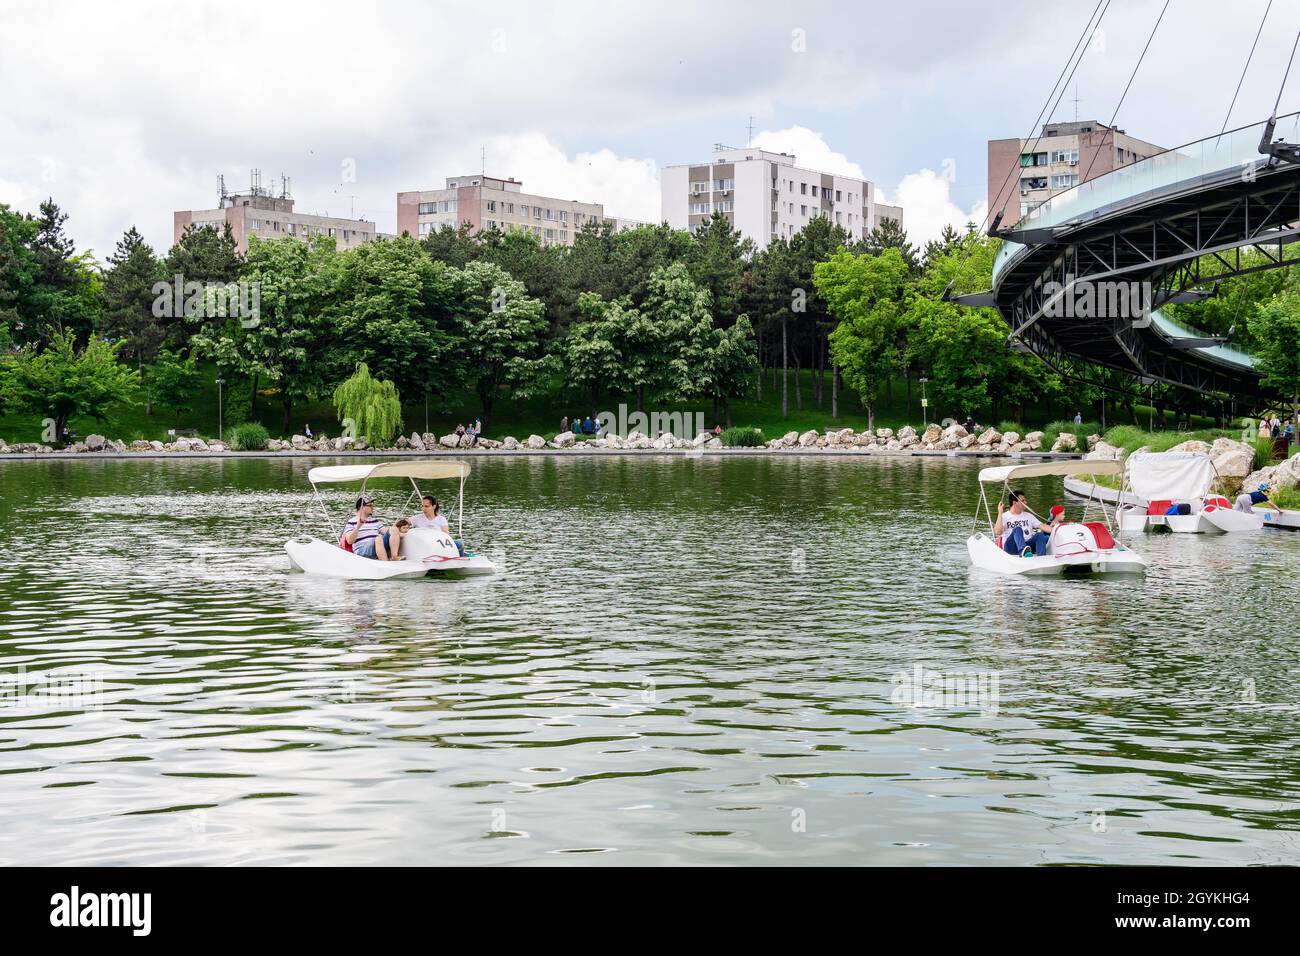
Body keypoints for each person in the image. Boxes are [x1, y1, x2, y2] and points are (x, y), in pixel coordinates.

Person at [995, 490, 1058, 557]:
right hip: (1011, 548)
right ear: (1015, 503)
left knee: (1040, 535)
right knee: (1017, 529)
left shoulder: (1028, 516)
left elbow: (1043, 526)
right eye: (1023, 501)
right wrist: (1000, 512)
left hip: (1027, 546)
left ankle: (1041, 558)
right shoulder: (1004, 516)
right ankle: (1024, 551)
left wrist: (1058, 529)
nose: (1026, 502)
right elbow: (998, 532)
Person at [342, 495, 390, 560]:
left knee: (393, 530)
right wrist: (358, 527)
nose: (373, 507)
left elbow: (385, 531)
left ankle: (394, 556)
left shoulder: (374, 521)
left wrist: (398, 526)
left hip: (376, 546)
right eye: (370, 505)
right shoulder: (351, 522)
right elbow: (350, 541)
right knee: (378, 538)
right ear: (362, 507)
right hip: (361, 551)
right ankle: (386, 565)